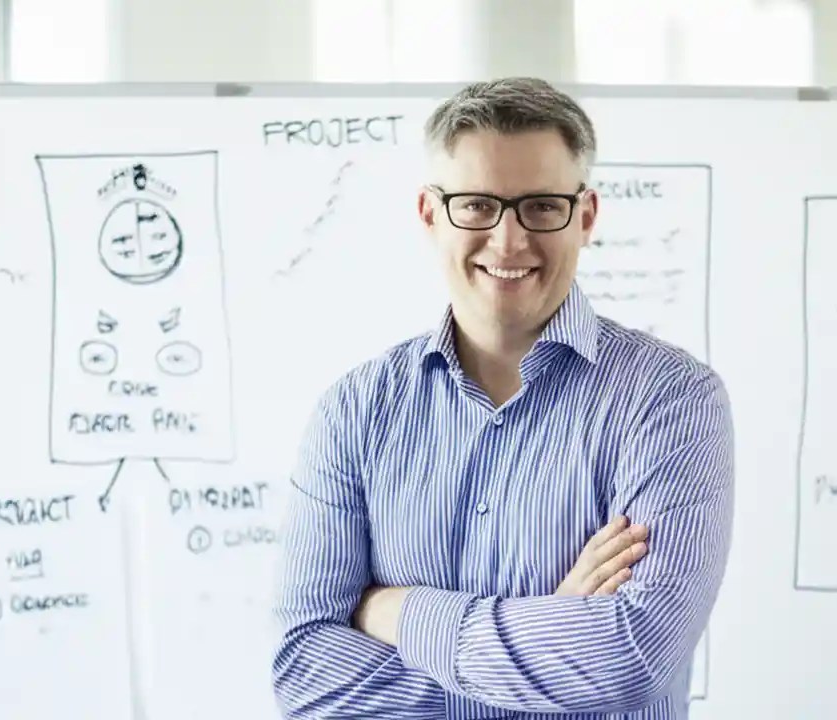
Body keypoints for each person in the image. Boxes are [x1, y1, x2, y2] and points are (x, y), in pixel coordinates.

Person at [271, 77, 735, 719]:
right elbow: (306, 677)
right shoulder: (355, 412)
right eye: (477, 205)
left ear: (587, 217)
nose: (510, 240)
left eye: (542, 206)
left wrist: (393, 610)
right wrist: (555, 638)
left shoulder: (669, 402)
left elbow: (629, 658)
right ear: (430, 215)